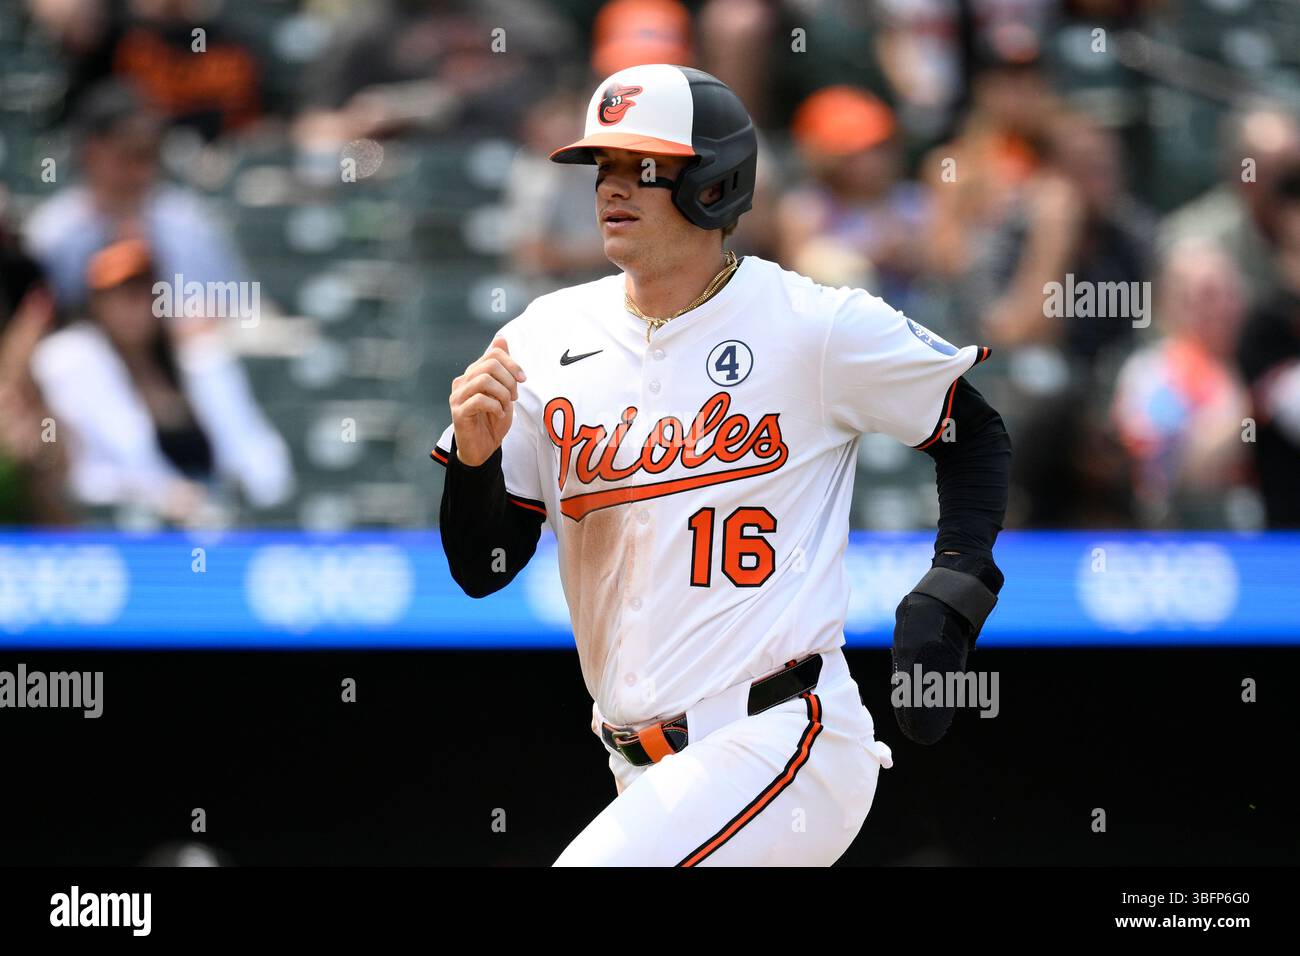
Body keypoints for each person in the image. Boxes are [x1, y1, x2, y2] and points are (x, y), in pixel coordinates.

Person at [431, 65, 1011, 866]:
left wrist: (954, 584)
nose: (611, 188)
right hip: (637, 765)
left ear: (713, 181)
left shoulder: (812, 324)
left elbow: (972, 430)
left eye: (641, 167)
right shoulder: (545, 335)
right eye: (601, 166)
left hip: (779, 735)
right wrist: (474, 460)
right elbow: (482, 567)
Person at [29, 239, 293, 523]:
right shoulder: (72, 360)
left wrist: (228, 501)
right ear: (95, 303)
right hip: (123, 535)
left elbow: (258, 454)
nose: (130, 305)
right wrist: (164, 496)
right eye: (116, 294)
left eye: (140, 292)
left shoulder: (200, 358)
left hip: (221, 530)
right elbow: (90, 473)